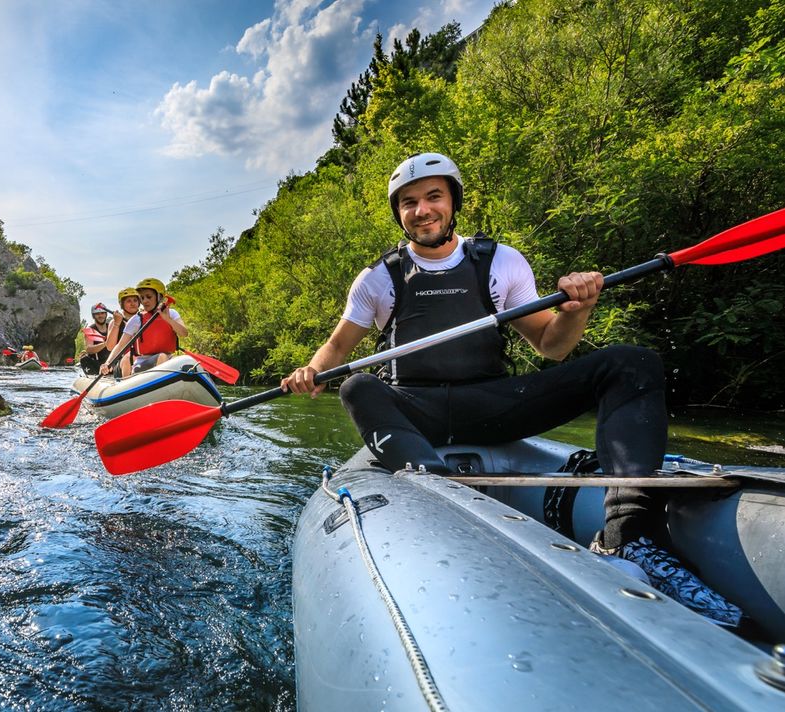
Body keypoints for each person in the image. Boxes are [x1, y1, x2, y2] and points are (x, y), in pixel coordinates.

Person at [280, 152, 741, 627]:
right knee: (357, 385)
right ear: (399, 213)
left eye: (433, 197)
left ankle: (629, 535)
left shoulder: (499, 262)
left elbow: (551, 346)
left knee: (631, 361)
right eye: (409, 202)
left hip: (494, 404)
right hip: (415, 409)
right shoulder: (379, 278)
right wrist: (308, 370)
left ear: (452, 202)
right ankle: (436, 488)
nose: (422, 211)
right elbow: (337, 348)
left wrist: (577, 310)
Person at [102, 278, 188, 378]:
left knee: (185, 360)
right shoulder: (136, 319)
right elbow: (120, 345)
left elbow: (184, 333)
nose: (145, 301)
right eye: (142, 298)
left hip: (169, 359)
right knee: (162, 357)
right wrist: (108, 363)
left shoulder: (172, 314)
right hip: (142, 364)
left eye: (148, 297)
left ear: (159, 297)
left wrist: (168, 319)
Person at [105, 287, 142, 378]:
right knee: (128, 358)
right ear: (122, 304)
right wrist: (117, 324)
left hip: (141, 358)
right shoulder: (114, 322)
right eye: (128, 301)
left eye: (135, 300)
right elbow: (110, 347)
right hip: (121, 361)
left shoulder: (144, 318)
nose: (133, 303)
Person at [77, 303, 113, 375]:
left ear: (106, 314)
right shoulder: (90, 330)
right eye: (97, 314)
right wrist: (105, 344)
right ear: (93, 316)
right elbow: (89, 349)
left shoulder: (112, 327)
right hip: (97, 363)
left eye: (102, 313)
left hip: (112, 361)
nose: (100, 316)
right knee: (84, 359)